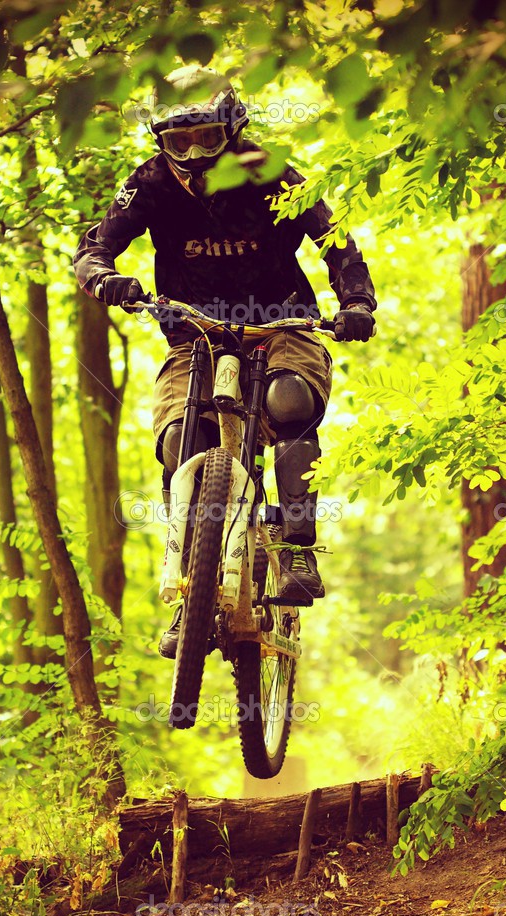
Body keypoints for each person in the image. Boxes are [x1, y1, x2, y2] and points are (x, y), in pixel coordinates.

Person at [73, 66, 376, 658]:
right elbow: (93, 247)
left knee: (288, 401)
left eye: (206, 138)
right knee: (179, 439)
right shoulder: (150, 184)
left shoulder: (272, 172)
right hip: (194, 330)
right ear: (159, 142)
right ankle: (189, 589)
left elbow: (334, 238)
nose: (191, 154)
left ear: (234, 131)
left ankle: (296, 550)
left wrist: (357, 303)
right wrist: (104, 278)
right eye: (177, 141)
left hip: (282, 320)